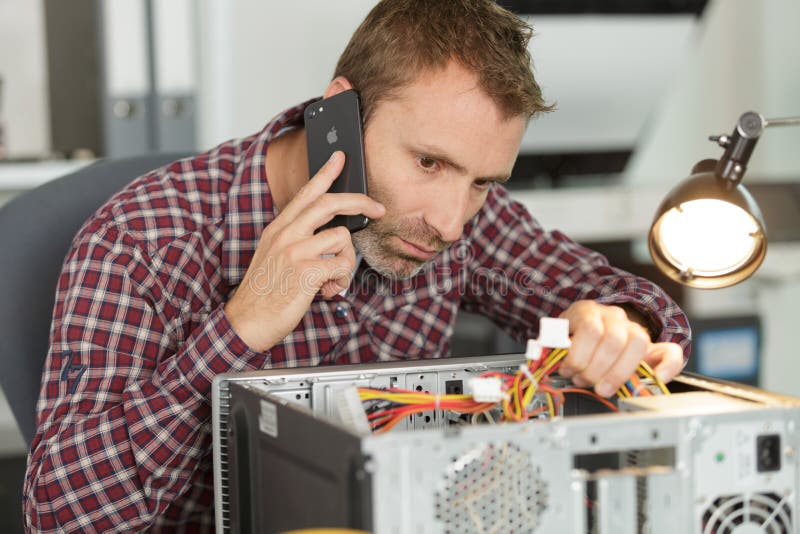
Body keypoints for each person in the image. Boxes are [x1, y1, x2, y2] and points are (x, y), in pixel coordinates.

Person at [24, 0, 691, 531]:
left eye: (483, 180)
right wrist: (241, 328)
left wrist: (618, 325)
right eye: (429, 163)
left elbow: (607, 295)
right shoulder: (146, 240)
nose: (453, 221)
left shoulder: (452, 218)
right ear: (338, 114)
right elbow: (61, 516)